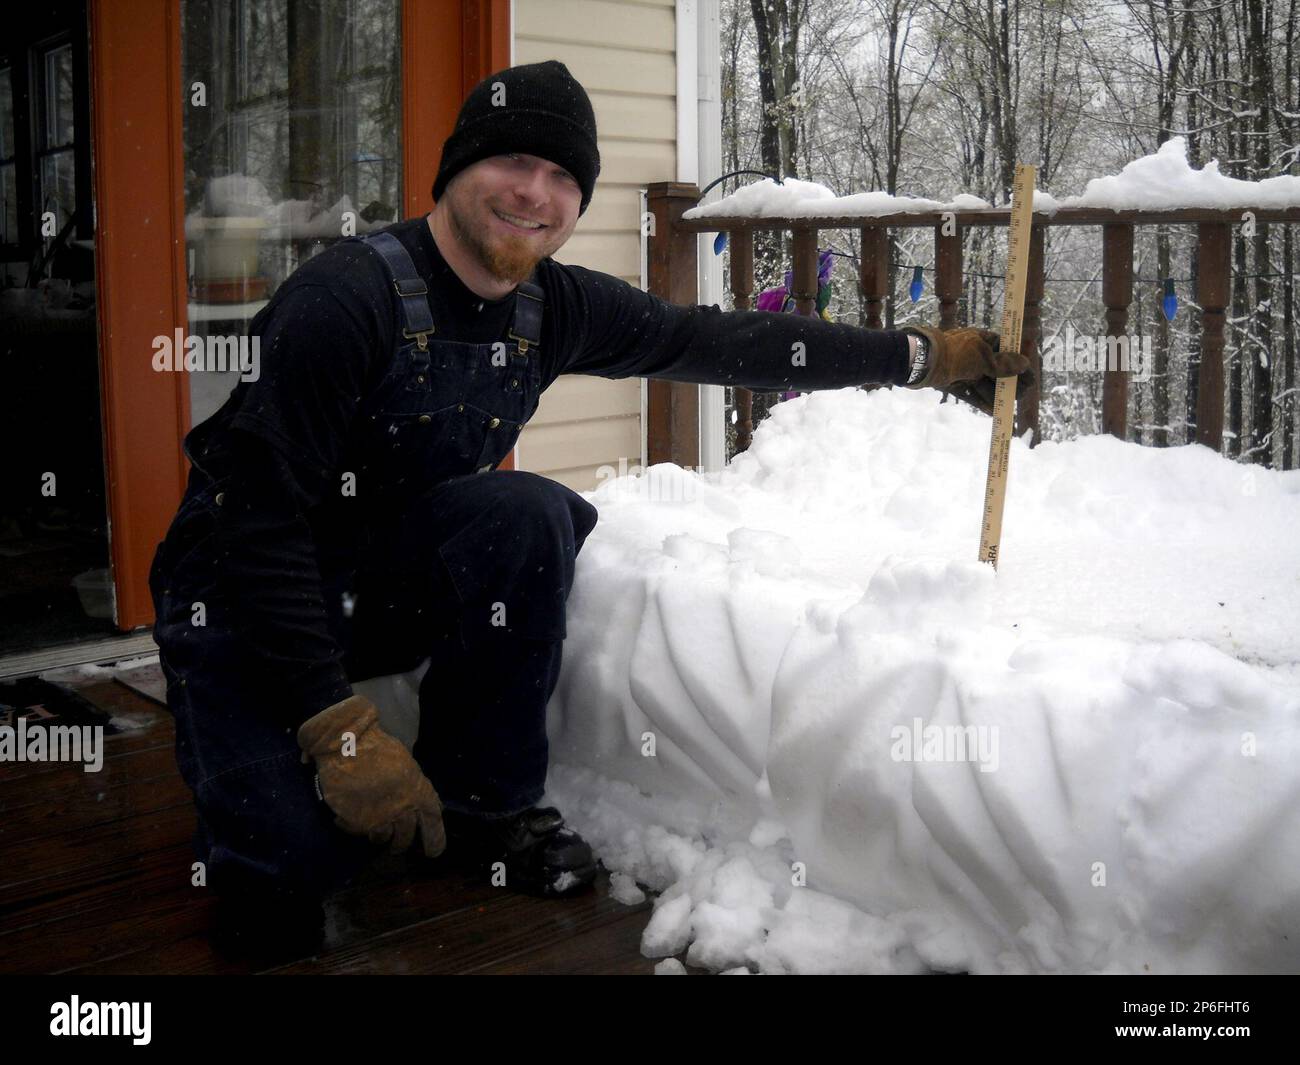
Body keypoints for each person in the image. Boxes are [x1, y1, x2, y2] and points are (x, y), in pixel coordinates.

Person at [149, 59, 1031, 957]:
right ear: (454, 172)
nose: (535, 192)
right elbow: (256, 522)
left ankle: (483, 807)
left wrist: (918, 356)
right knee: (290, 881)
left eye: (563, 176)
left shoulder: (549, 306)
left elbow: (712, 338)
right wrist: (335, 727)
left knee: (527, 513)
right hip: (241, 605)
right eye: (512, 163)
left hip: (374, 583)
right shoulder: (342, 302)